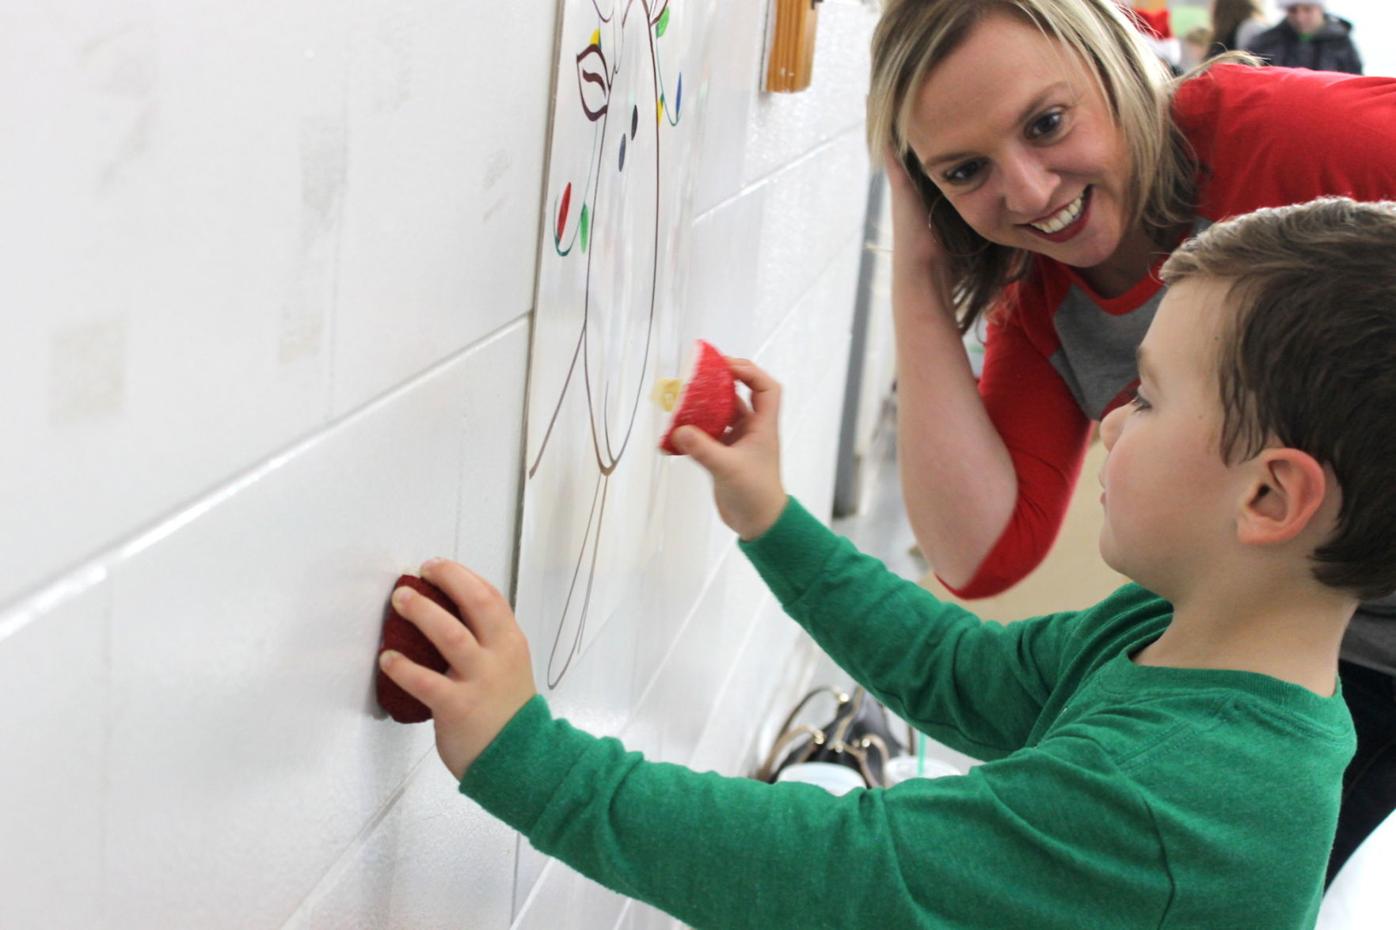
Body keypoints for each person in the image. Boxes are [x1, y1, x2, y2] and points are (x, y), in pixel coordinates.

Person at [378, 198, 1396, 929]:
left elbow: (835, 875)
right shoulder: (1176, 633)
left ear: (1268, 497)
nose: (1114, 417)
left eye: (1152, 396)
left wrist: (529, 759)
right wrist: (772, 517)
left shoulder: (1183, 801)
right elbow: (959, 672)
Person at [866, 0, 1395, 883]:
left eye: (1047, 122)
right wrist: (919, 272)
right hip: (1279, 647)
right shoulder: (1040, 296)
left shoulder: (1275, 132)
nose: (1029, 193)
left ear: (1112, 62)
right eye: (964, 171)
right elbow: (978, 552)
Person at [1246, 1, 1363, 74]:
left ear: (1320, 9)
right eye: (1293, 10)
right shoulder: (1267, 41)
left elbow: (1355, 83)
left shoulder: (1341, 42)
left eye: (1307, 9)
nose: (1300, 17)